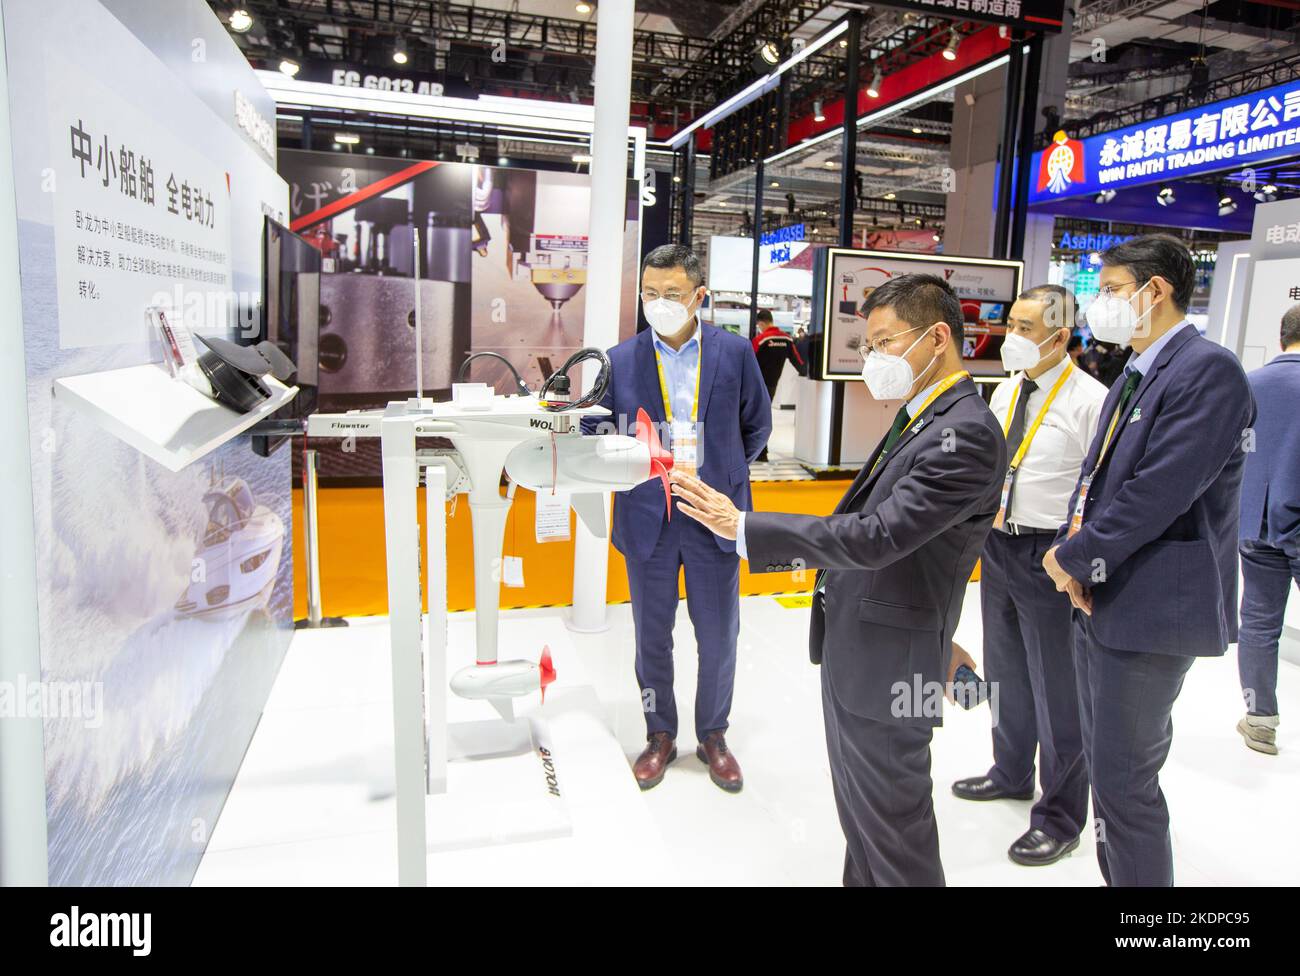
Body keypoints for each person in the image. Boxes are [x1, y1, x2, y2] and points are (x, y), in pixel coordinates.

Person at [670, 273, 1006, 885]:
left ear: (936, 337)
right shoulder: (924, 416)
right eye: (868, 346)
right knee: (864, 821)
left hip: (891, 662)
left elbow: (879, 536)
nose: (873, 359)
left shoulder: (966, 432)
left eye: (884, 342)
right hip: (869, 649)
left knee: (895, 834)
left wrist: (745, 527)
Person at [1042, 234, 1255, 886]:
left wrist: (1076, 558)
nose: (1099, 304)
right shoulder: (1135, 371)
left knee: (1126, 783)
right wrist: (1076, 559)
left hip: (1151, 607)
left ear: (1153, 290)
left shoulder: (1207, 371)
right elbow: (1097, 481)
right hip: (1103, 596)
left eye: (1108, 290)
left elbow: (1155, 495)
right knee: (1110, 780)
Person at [585, 244, 771, 792]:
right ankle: (659, 732)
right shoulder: (619, 360)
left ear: (698, 296)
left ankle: (713, 733)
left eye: (671, 294)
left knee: (718, 635)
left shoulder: (735, 353)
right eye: (650, 293)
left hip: (712, 511)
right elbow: (601, 433)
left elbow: (755, 427)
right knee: (652, 634)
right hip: (649, 514)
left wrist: (723, 475)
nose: (659, 302)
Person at [951, 285, 1107, 867]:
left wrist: (1080, 558)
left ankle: (1062, 814)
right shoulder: (1006, 390)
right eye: (1009, 322)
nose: (1009, 334)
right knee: (1007, 667)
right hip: (999, 544)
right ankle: (1010, 770)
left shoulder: (1091, 400)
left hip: (1052, 553)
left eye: (1023, 326)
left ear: (1059, 336)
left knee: (1058, 685)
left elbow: (1101, 489)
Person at [1235, 304, 1300, 755]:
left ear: (1281, 339)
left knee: (1258, 623)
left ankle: (1260, 720)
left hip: (1254, 521)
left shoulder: (1248, 385)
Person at [751, 310, 803, 461]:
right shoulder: (787, 339)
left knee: (753, 418)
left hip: (756, 385)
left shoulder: (760, 339)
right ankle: (762, 452)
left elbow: (749, 361)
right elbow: (798, 361)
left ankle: (760, 453)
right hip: (772, 385)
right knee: (764, 416)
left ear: (761, 323)